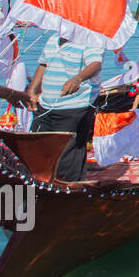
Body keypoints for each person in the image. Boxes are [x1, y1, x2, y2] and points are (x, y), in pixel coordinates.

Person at [27, 34, 103, 182]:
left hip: (74, 105)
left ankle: (69, 188)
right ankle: (39, 183)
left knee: (68, 152)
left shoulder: (89, 38)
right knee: (38, 147)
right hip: (45, 104)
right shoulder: (53, 38)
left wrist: (78, 78)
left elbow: (95, 64)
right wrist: (32, 91)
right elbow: (43, 64)